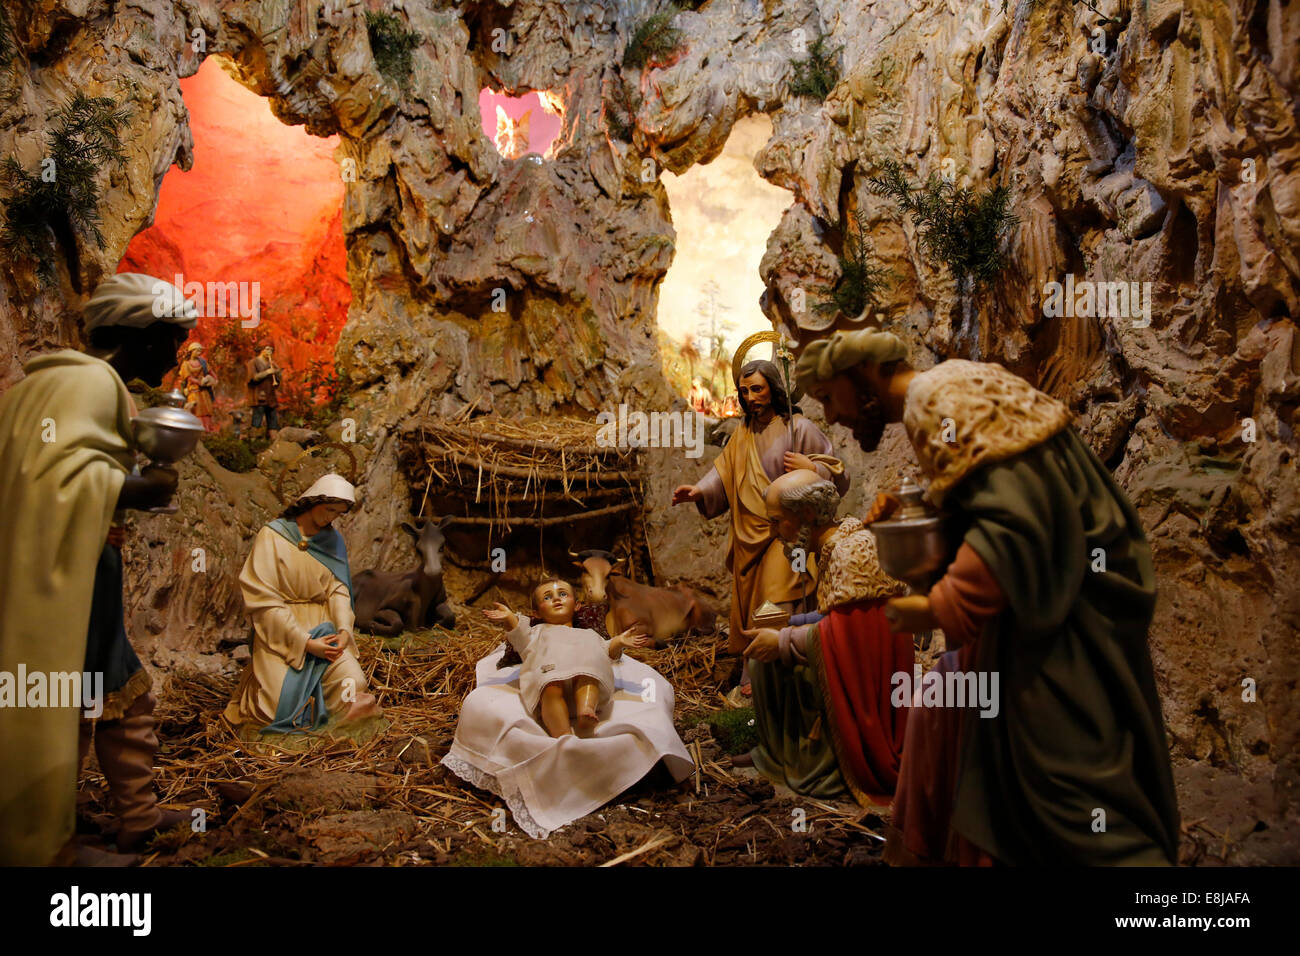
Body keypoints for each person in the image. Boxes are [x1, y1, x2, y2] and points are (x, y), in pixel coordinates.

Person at [794, 328, 1180, 865]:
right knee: (948, 710)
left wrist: (939, 606)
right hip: (1041, 598)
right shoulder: (943, 390)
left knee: (1064, 777)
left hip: (1063, 612)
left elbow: (1012, 521)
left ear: (863, 378)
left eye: (830, 399)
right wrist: (916, 509)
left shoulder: (936, 400)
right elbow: (988, 492)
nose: (831, 417)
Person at [0, 272, 197, 866]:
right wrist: (150, 485)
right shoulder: (89, 384)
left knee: (115, 686)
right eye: (170, 341)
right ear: (136, 334)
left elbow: (58, 479)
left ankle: (135, 814)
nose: (173, 359)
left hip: (78, 561)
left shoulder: (37, 387)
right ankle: (47, 844)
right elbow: (65, 483)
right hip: (68, 572)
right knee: (60, 691)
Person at [737, 470, 912, 805]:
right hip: (850, 659)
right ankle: (775, 755)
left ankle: (815, 764)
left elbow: (853, 638)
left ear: (805, 515)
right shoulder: (836, 544)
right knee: (762, 664)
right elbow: (839, 617)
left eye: (777, 522)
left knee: (771, 661)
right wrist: (789, 623)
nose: (775, 534)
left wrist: (784, 641)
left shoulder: (852, 552)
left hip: (869, 683)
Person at [672, 360, 848, 662]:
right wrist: (700, 490)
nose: (750, 397)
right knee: (757, 601)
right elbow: (724, 473)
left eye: (757, 389)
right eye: (744, 391)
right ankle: (755, 666)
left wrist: (812, 467)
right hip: (749, 534)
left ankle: (779, 661)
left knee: (777, 597)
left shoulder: (798, 427)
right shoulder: (743, 433)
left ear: (774, 388)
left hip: (787, 536)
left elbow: (839, 477)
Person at [224, 474, 380, 732]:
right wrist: (304, 642)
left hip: (324, 628)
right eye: (329, 509)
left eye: (338, 513)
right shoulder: (272, 536)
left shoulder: (333, 541)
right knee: (274, 710)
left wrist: (343, 629)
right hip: (282, 633)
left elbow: (338, 589)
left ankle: (338, 717)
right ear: (310, 501)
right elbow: (263, 599)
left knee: (354, 683)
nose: (331, 517)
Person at [483, 580, 651, 737]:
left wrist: (619, 641)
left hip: (585, 687)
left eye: (563, 594)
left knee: (590, 673)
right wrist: (510, 618)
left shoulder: (589, 635)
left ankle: (586, 710)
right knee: (551, 686)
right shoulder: (536, 633)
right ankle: (563, 735)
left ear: (577, 605)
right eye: (547, 597)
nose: (556, 599)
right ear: (536, 613)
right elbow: (519, 634)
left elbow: (605, 653)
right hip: (551, 683)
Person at [175, 341, 217, 430]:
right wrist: (199, 382)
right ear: (191, 351)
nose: (199, 353)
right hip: (193, 390)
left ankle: (207, 429)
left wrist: (215, 380)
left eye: (200, 351)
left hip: (204, 390)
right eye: (197, 351)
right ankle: (195, 428)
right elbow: (189, 378)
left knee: (206, 409)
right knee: (196, 409)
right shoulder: (185, 364)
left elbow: (211, 372)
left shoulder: (203, 363)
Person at [246, 344, 281, 439]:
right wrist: (267, 372)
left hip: (271, 396)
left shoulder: (272, 363)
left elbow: (277, 381)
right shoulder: (253, 363)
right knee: (257, 419)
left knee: (273, 420)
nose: (270, 351)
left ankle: (274, 442)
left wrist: (277, 373)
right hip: (259, 396)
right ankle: (253, 441)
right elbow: (253, 378)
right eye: (267, 349)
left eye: (271, 349)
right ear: (262, 350)